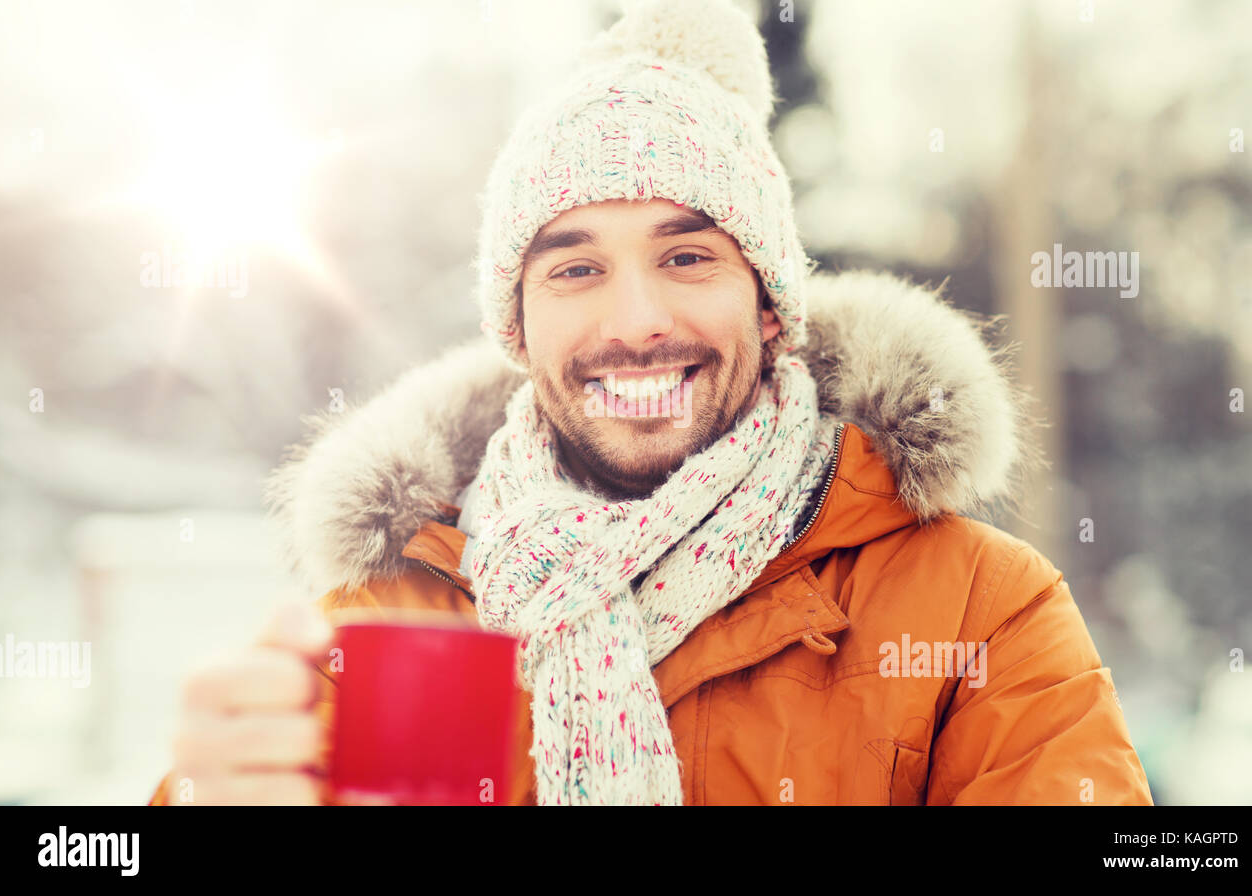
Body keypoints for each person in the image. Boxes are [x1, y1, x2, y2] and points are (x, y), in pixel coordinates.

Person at [149, 0, 1152, 806]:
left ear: (771, 307)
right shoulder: (384, 627)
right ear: (518, 328)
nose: (634, 322)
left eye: (687, 257)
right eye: (575, 269)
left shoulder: (980, 610)